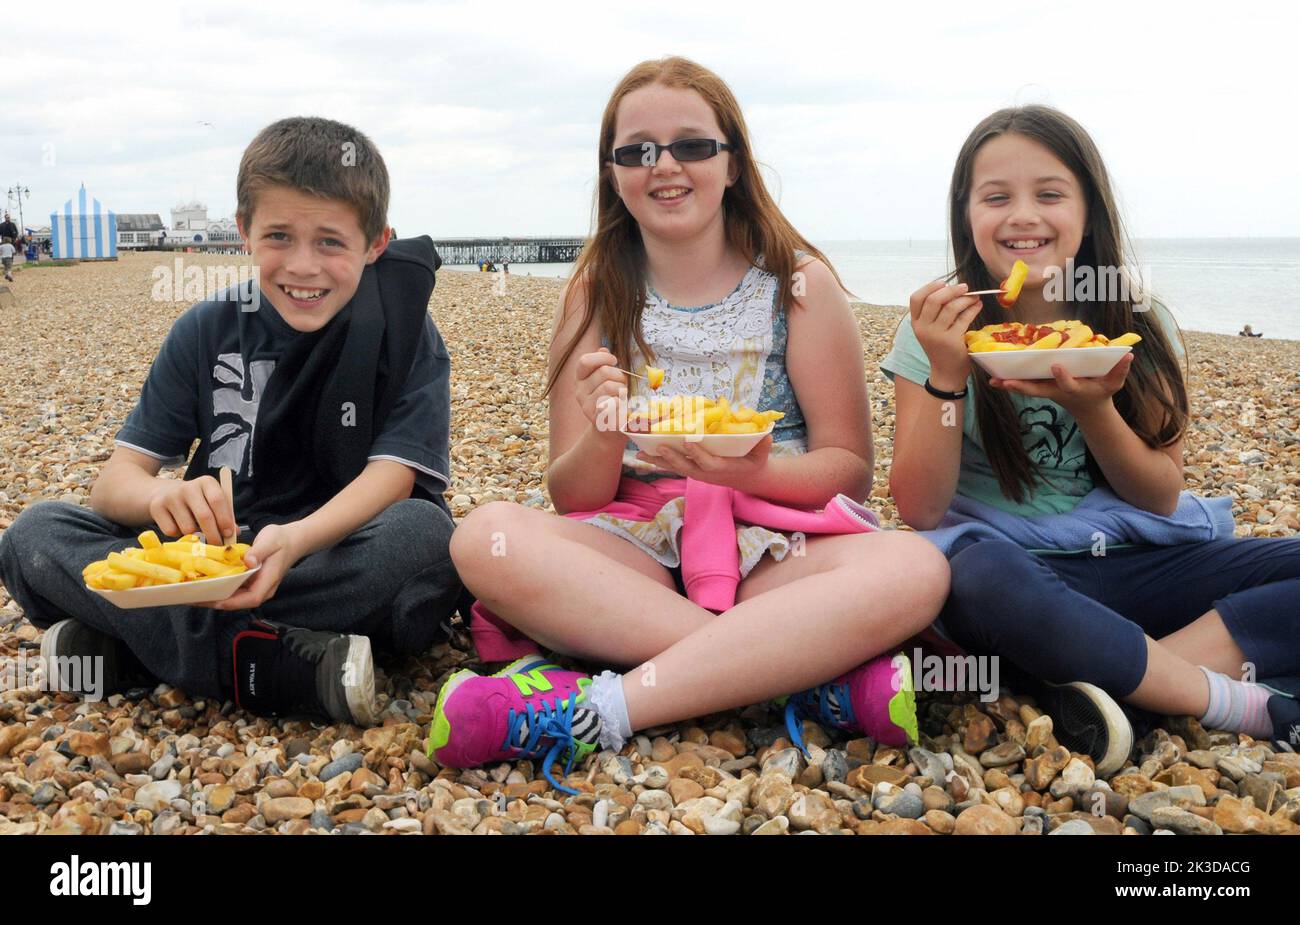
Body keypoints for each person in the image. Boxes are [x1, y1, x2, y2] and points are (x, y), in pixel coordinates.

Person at [428, 57, 949, 791]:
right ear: (612, 173)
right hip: (637, 549)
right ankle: (793, 676)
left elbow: (847, 468)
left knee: (918, 568)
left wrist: (751, 472)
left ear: (732, 162)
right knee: (484, 537)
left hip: (772, 542)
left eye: (692, 146)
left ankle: (601, 704)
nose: (664, 165)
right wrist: (605, 429)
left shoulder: (798, 286)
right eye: (637, 150)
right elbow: (571, 496)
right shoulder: (593, 293)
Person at [0, 117, 464, 726]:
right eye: (278, 236)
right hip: (208, 562)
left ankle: (143, 651)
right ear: (243, 230)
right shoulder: (207, 327)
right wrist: (163, 496)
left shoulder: (404, 334)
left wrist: (297, 540)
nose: (303, 266)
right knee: (33, 534)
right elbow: (113, 485)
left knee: (425, 537)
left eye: (330, 241)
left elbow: (394, 478)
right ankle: (265, 664)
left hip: (325, 555)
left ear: (376, 242)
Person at [883, 105, 1300, 773]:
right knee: (975, 574)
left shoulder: (1134, 317)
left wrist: (1096, 409)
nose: (1023, 215)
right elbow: (921, 511)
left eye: (1049, 194)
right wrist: (944, 373)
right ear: (967, 213)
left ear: (1088, 209)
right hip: (1016, 575)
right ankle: (1230, 699)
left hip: (1135, 558)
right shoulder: (934, 331)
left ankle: (1117, 675)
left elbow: (1161, 496)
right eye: (996, 197)